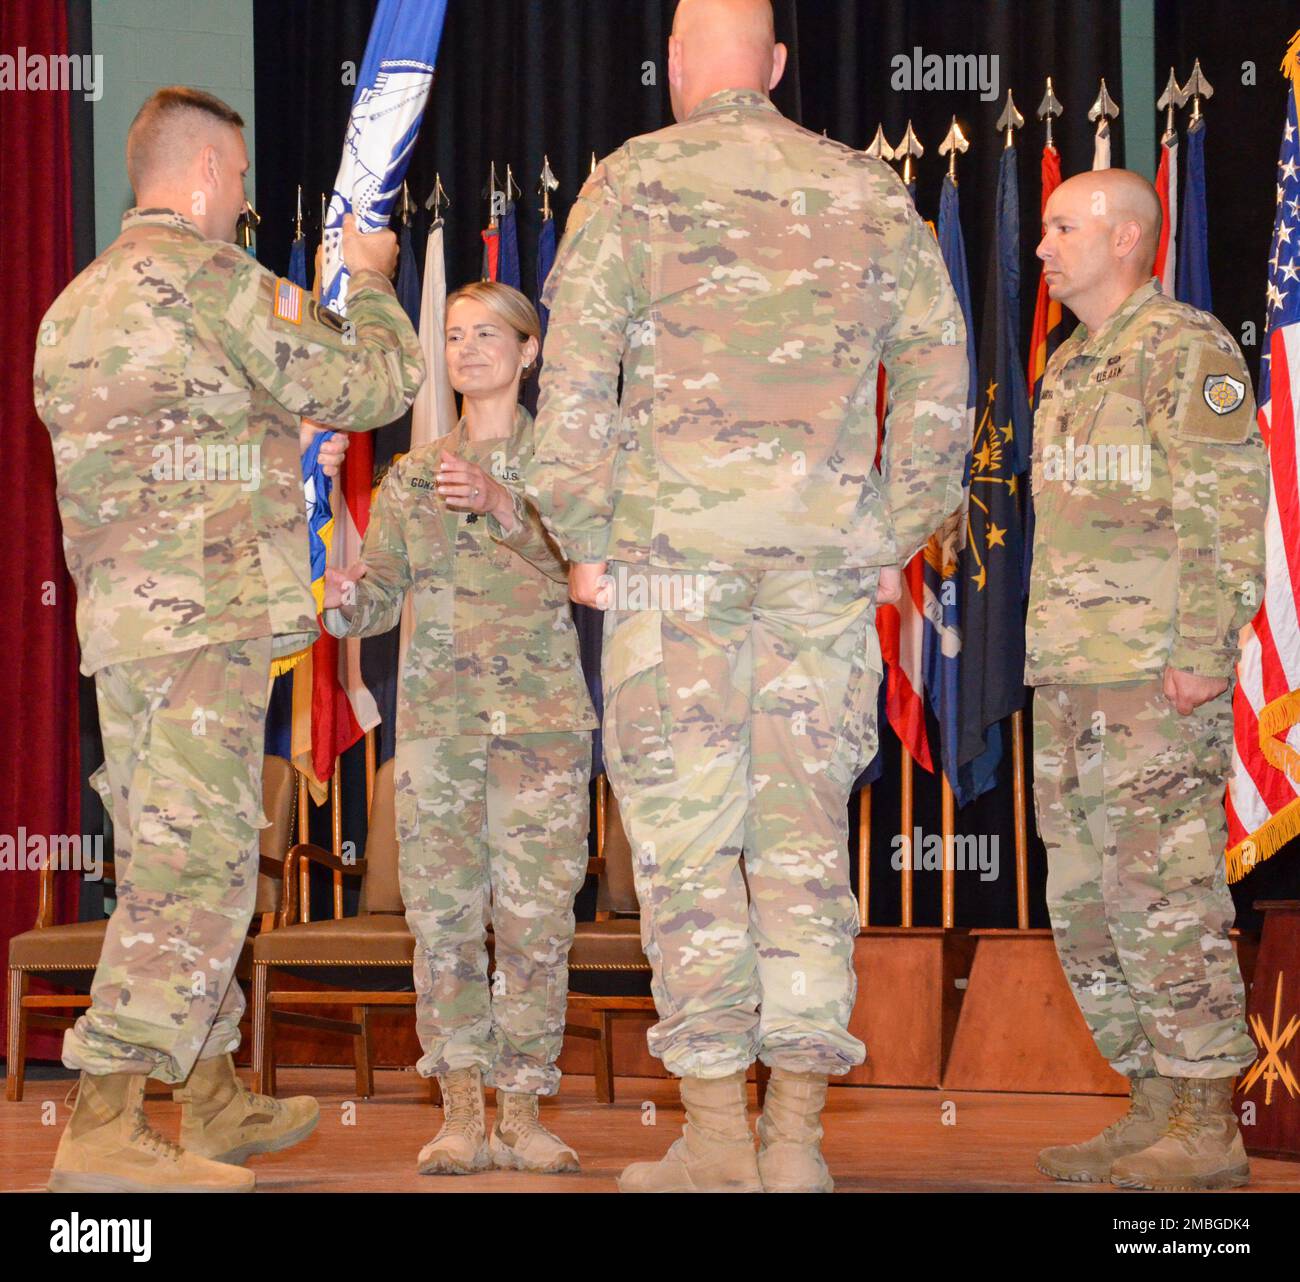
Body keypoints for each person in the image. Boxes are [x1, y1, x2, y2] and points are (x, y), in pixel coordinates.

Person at [525, 0, 969, 1193]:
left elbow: (568, 381)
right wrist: (895, 523)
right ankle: (797, 1142)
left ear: (676, 65)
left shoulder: (630, 182)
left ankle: (718, 1140)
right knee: (802, 848)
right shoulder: (868, 189)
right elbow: (939, 365)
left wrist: (581, 529)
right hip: (823, 572)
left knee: (685, 852)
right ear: (773, 66)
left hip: (671, 574)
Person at [33, 86, 424, 1193]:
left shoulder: (69, 308)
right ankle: (103, 1123)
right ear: (204, 178)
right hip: (207, 621)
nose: (243, 201)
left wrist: (251, 427)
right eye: (242, 181)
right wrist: (378, 279)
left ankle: (206, 1098)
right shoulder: (217, 284)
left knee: (172, 850)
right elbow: (376, 384)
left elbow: (164, 438)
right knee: (196, 873)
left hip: (125, 630)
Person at [322, 281, 597, 1176]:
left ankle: (523, 1113)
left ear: (530, 352)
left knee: (534, 923)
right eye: (452, 335)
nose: (468, 348)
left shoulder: (565, 463)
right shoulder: (409, 476)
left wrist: (503, 503)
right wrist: (337, 585)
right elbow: (376, 602)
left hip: (542, 728)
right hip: (439, 728)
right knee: (443, 922)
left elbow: (587, 572)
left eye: (489, 334)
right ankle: (461, 1114)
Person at [1028, 168, 1267, 1190]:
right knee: (1084, 901)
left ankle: (1207, 1126)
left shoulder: (1186, 348)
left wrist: (1200, 653)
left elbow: (1223, 508)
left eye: (1061, 226)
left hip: (1151, 679)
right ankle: (1151, 1105)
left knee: (1164, 894)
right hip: (1070, 676)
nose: (1042, 246)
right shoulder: (1070, 364)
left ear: (1127, 239)